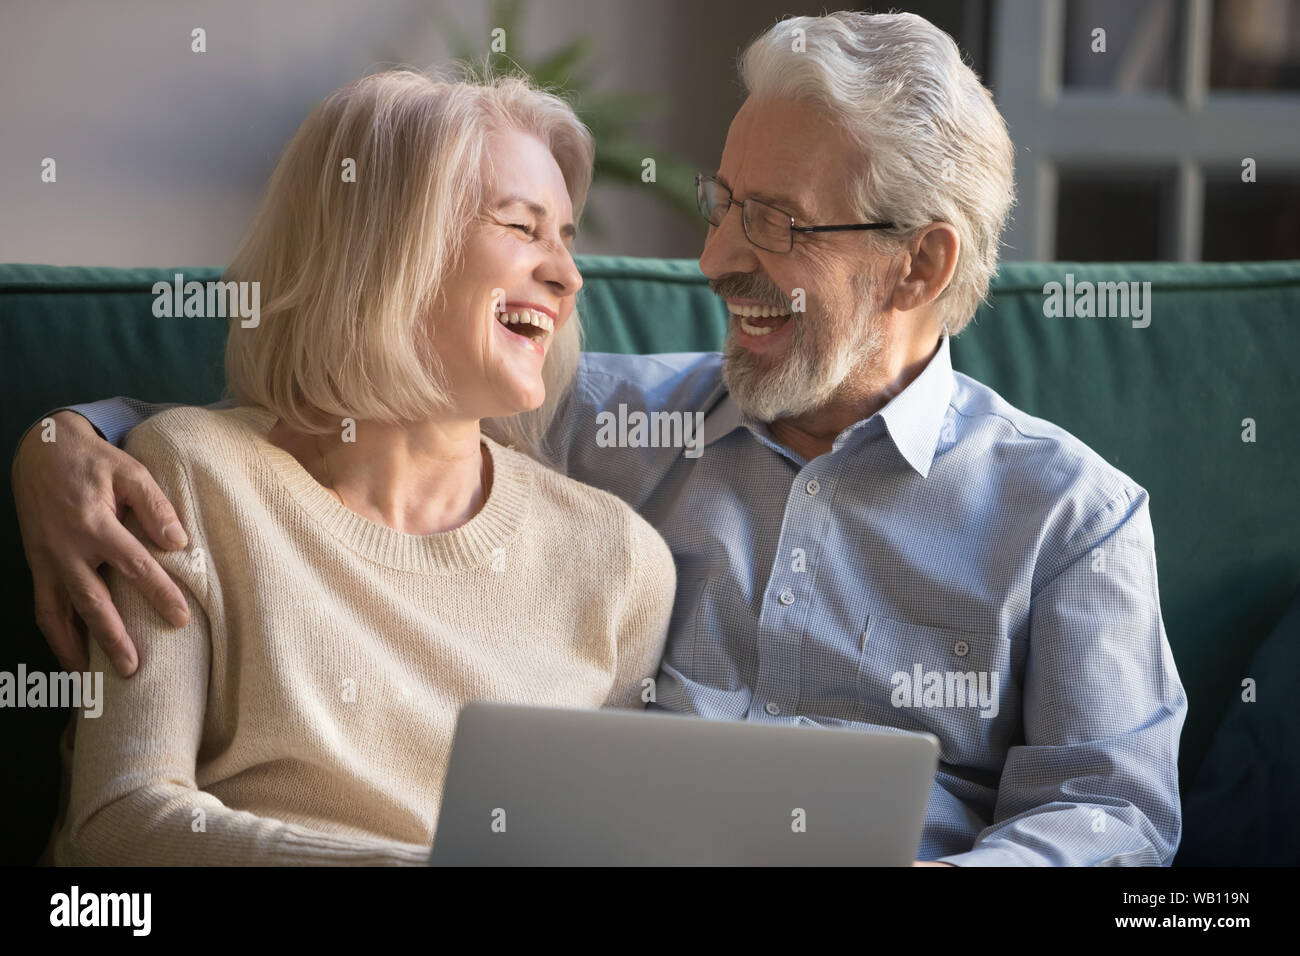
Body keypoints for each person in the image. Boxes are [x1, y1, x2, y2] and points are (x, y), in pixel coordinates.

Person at [14, 12, 1186, 866]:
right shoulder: (592, 420)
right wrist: (60, 440)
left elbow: (1115, 813)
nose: (714, 258)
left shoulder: (1069, 517)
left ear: (919, 263)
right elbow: (332, 405)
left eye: (773, 222)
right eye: (722, 204)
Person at [36, 68, 676, 865]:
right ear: (383, 247)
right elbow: (119, 823)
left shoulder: (619, 562)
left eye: (567, 238)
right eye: (520, 227)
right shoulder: (191, 478)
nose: (567, 275)